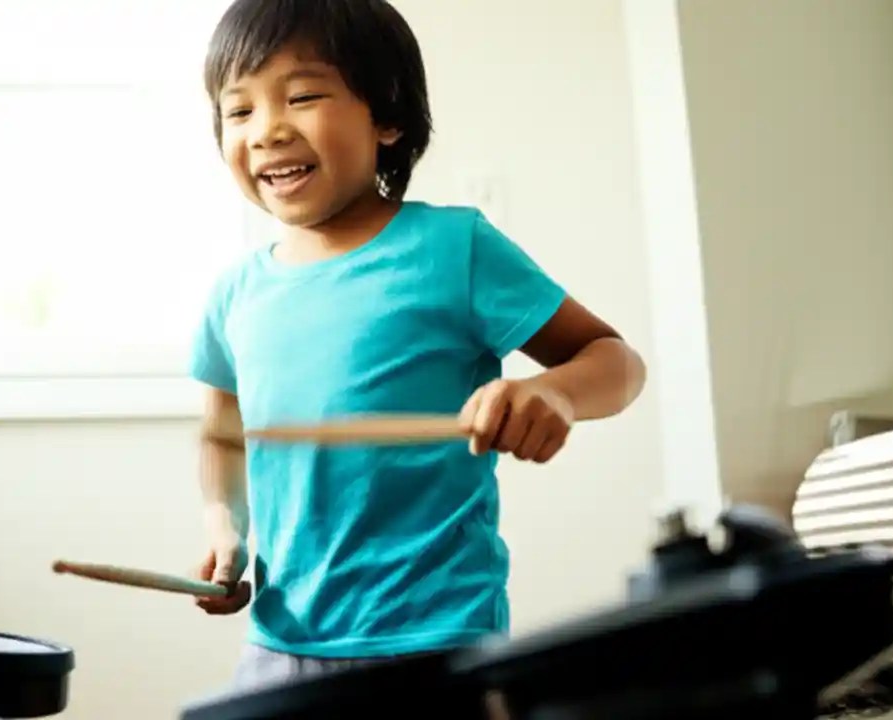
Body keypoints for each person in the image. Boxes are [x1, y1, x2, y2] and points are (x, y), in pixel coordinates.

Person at [187, 0, 647, 691]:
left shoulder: (453, 248)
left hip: (438, 639)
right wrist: (226, 530)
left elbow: (616, 361)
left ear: (389, 116)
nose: (268, 131)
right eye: (239, 110)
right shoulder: (234, 295)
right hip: (279, 642)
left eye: (303, 96)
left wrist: (551, 391)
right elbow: (224, 436)